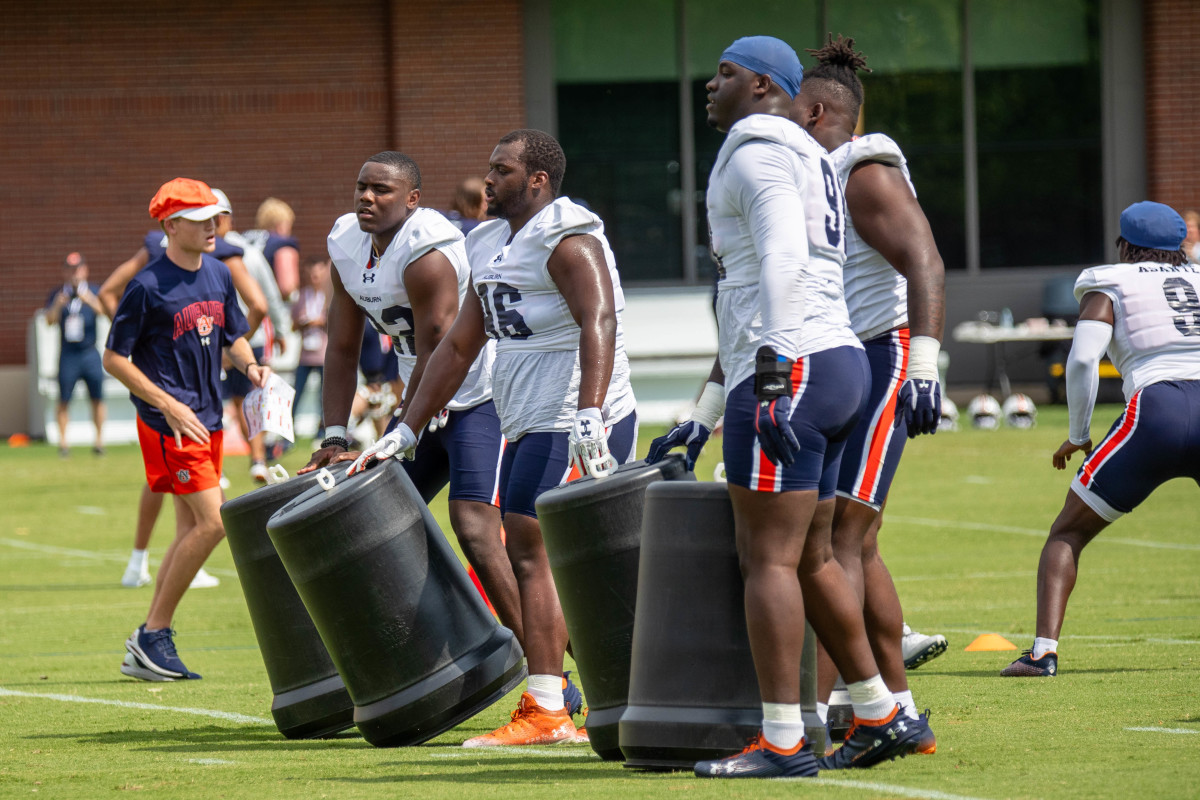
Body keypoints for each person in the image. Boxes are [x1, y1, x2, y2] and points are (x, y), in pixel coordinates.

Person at [650, 36, 926, 778]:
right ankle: (879, 711)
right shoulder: (804, 153)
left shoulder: (756, 147)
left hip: (794, 363)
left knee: (766, 557)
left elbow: (777, 255)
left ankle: (782, 739)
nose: (711, 85)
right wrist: (710, 408)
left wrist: (770, 369)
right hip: (833, 359)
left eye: (727, 73)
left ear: (766, 87)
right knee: (811, 553)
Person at [349, 130, 638, 747]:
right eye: (489, 168)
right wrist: (406, 427)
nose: (488, 180)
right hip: (529, 416)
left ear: (537, 180)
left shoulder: (567, 235)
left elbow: (600, 319)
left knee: (538, 547)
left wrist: (591, 412)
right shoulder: (486, 241)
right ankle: (582, 697)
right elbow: (458, 346)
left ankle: (553, 706)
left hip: (576, 414)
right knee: (541, 551)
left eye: (502, 170)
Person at [299, 150, 525, 672]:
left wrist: (406, 425)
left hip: (478, 399)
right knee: (368, 525)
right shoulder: (347, 244)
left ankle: (552, 682)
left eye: (382, 190)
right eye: (362, 186)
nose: (367, 197)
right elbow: (340, 347)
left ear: (413, 199)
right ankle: (406, 664)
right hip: (419, 404)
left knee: (474, 528)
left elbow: (440, 346)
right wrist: (336, 433)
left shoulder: (429, 249)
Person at [789, 35, 944, 745]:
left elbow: (924, 259)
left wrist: (926, 362)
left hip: (884, 355)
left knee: (838, 537)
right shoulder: (810, 172)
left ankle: (820, 715)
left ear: (817, 109)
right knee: (857, 540)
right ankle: (893, 701)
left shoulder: (861, 167)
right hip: (841, 356)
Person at [1002, 201, 1200, 678]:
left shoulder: (1111, 279)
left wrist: (1077, 434)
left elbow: (1083, 359)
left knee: (1067, 533)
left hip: (1159, 409)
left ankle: (1043, 653)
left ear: (1126, 245)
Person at [104, 177, 270, 681]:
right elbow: (113, 358)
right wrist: (167, 406)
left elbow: (231, 338)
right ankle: (153, 633)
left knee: (188, 530)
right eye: (200, 220)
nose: (213, 226)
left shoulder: (219, 274)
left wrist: (250, 368)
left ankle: (147, 645)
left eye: (214, 217)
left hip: (210, 417)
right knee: (216, 522)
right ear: (170, 225)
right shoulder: (146, 285)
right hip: (170, 425)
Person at [214, 189, 292, 483]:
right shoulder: (239, 249)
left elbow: (266, 297)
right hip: (242, 336)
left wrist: (280, 329)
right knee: (242, 402)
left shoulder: (242, 250)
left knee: (239, 402)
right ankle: (253, 461)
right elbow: (268, 295)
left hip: (238, 337)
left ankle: (253, 460)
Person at [44, 252, 107, 457]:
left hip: (90, 352)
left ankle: (99, 441)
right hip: (68, 354)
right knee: (64, 399)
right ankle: (63, 443)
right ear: (64, 272)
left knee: (97, 398)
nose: (74, 273)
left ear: (85, 270)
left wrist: (87, 298)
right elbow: (49, 321)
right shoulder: (57, 294)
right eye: (70, 269)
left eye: (78, 268)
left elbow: (104, 312)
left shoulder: (93, 291)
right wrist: (58, 305)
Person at [291, 256, 331, 439]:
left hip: (324, 353)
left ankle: (323, 429)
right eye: (311, 273)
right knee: (297, 392)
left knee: (325, 395)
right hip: (305, 353)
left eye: (318, 273)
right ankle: (290, 429)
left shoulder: (329, 295)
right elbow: (292, 325)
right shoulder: (301, 296)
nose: (315, 276)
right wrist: (303, 323)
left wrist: (320, 321)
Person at [245, 198, 300, 299]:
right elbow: (287, 288)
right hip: (268, 308)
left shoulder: (244, 238)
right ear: (281, 225)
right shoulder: (282, 244)